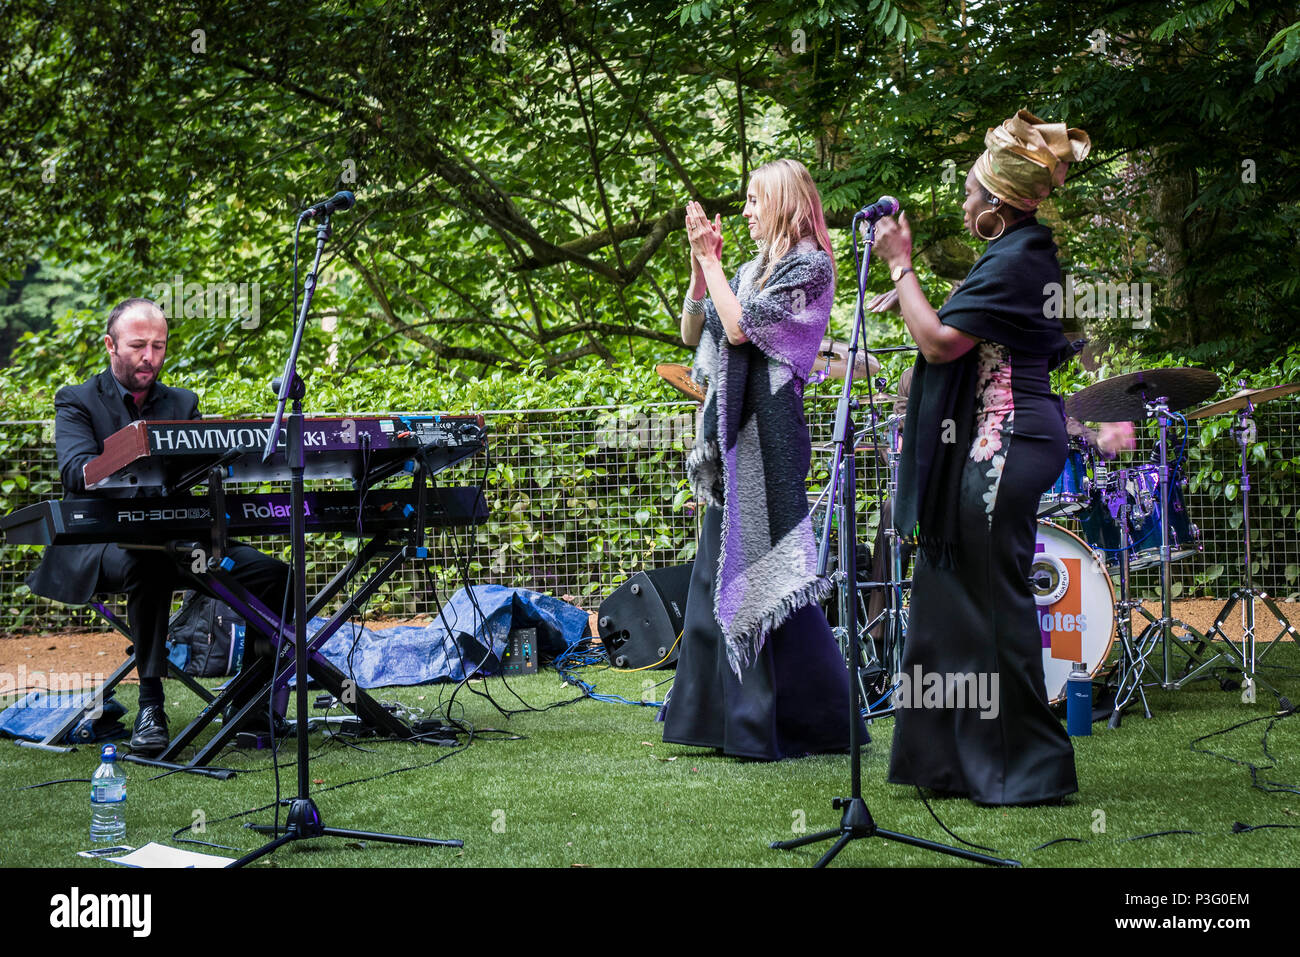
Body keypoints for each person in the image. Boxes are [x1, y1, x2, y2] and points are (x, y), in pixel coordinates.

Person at [873, 110, 1091, 804]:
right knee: (949, 594)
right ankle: (947, 760)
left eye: (970, 192)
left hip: (1008, 439)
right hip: (990, 438)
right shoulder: (1009, 255)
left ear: (995, 202)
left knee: (992, 603)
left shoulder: (1021, 256)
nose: (964, 202)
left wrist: (901, 265)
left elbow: (940, 342)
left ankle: (1026, 768)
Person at [660, 158, 865, 760]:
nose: (745, 212)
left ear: (780, 202)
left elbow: (742, 329)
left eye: (754, 200)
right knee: (714, 572)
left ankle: (806, 723)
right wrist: (702, 269)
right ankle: (712, 720)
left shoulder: (811, 266)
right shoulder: (753, 268)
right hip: (727, 439)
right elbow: (692, 330)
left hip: (768, 438)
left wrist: (716, 264)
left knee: (774, 574)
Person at [26, 298, 291, 756]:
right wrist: (136, 450)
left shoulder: (182, 403)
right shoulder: (77, 400)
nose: (149, 357)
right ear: (110, 345)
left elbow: (202, 471)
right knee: (146, 560)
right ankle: (151, 705)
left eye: (159, 346)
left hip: (176, 543)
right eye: (137, 346)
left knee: (276, 577)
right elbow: (76, 472)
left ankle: (251, 707)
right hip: (98, 543)